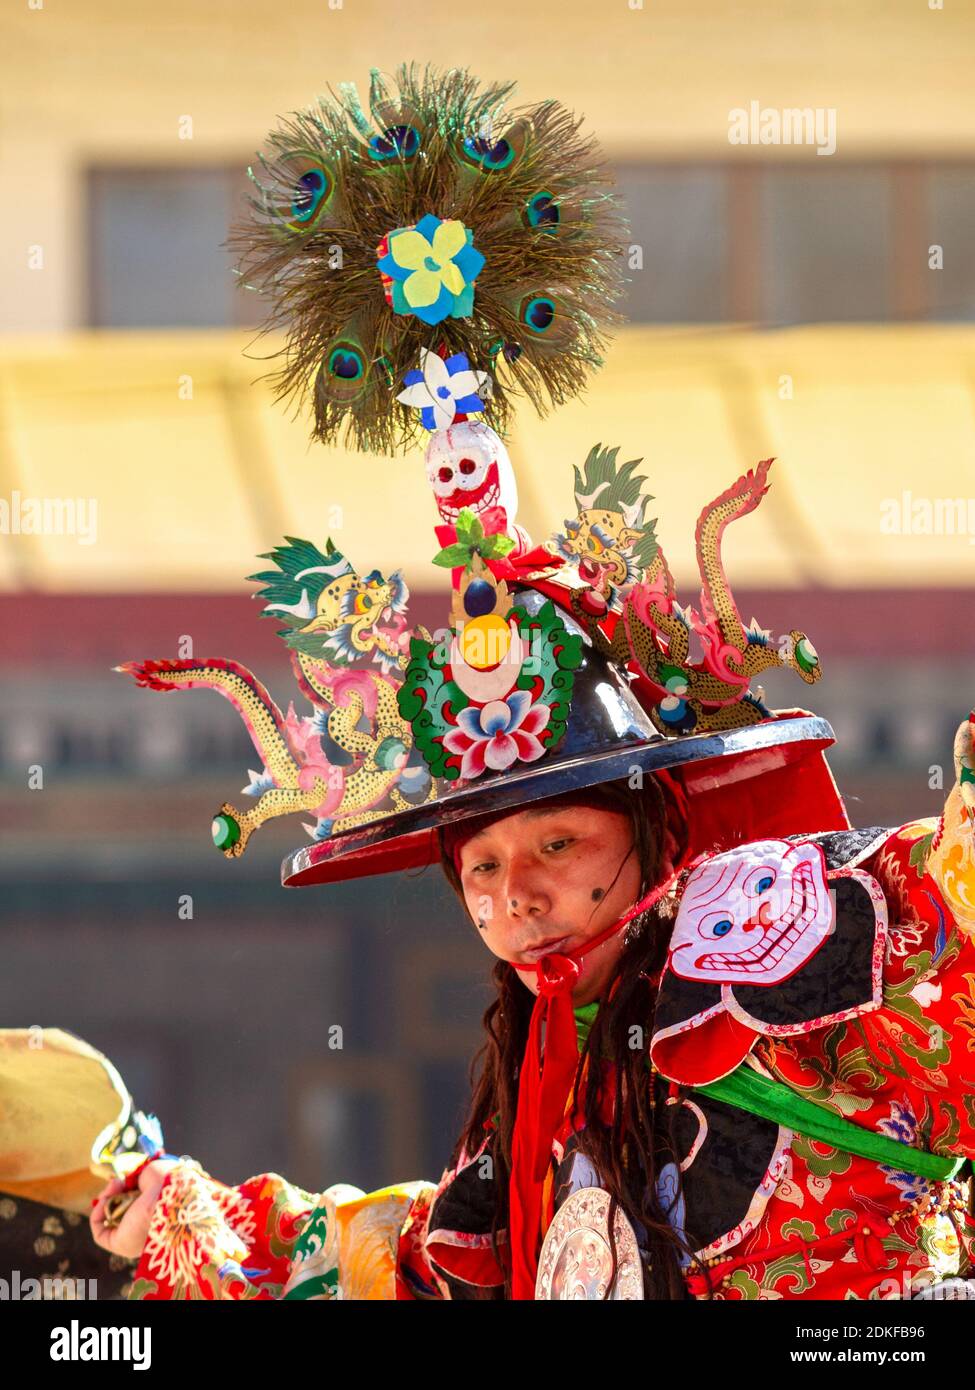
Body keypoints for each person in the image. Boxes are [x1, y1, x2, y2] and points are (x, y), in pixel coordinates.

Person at [88, 63, 974, 1299]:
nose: (519, 895)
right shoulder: (539, 1098)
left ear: (655, 827)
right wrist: (197, 1215)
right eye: (486, 867)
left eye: (558, 840)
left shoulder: (758, 930)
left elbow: (951, 903)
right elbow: (390, 1258)